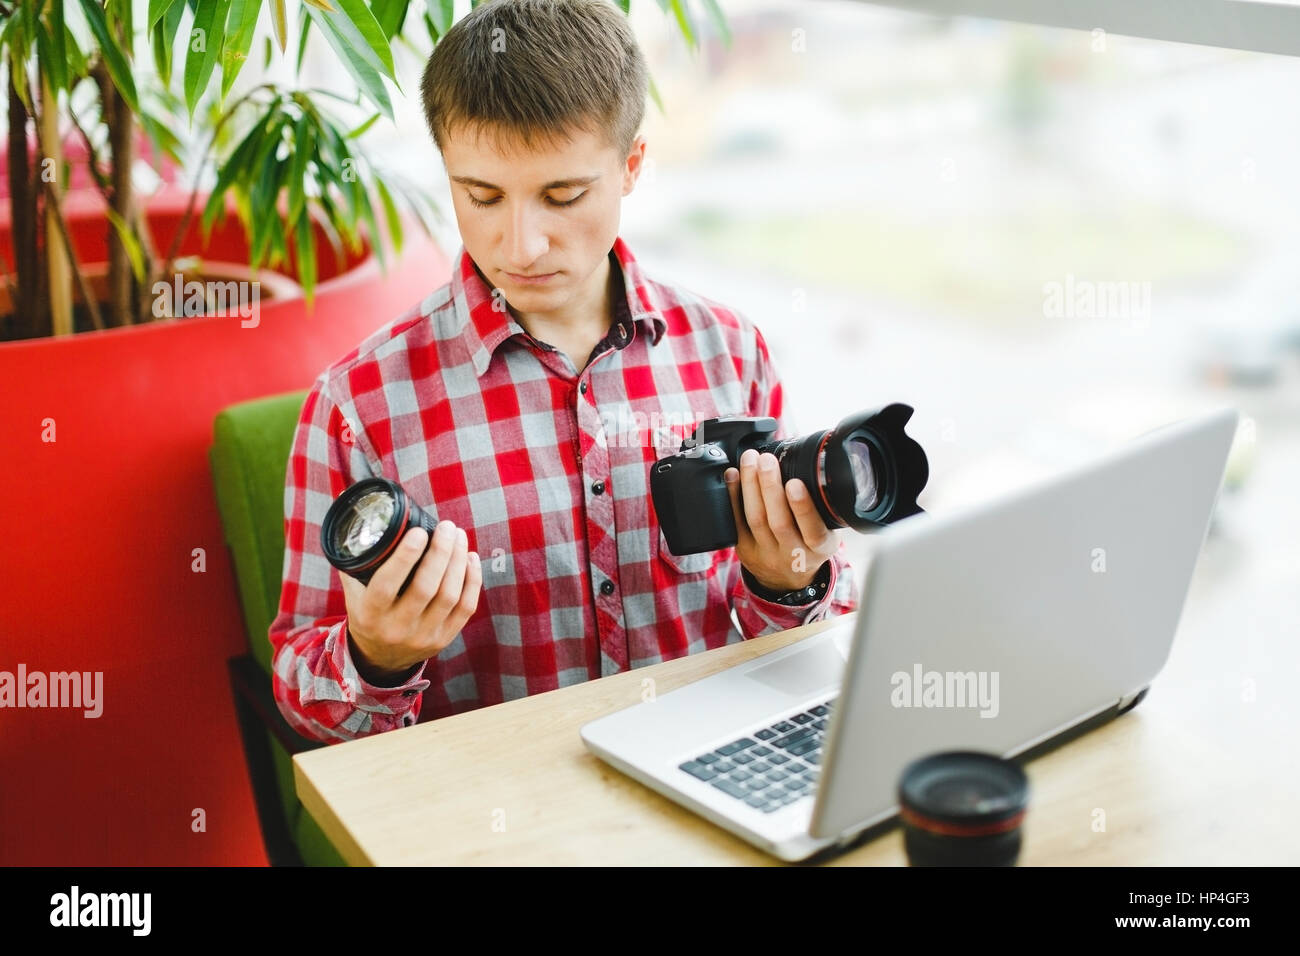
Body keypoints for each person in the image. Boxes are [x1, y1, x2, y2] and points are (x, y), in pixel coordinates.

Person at [268, 0, 859, 744]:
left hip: (710, 777)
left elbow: (814, 640)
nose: (521, 243)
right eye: (480, 196)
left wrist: (789, 582)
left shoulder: (730, 353)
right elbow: (302, 696)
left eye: (563, 195)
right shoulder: (357, 406)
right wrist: (376, 657)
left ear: (632, 165)